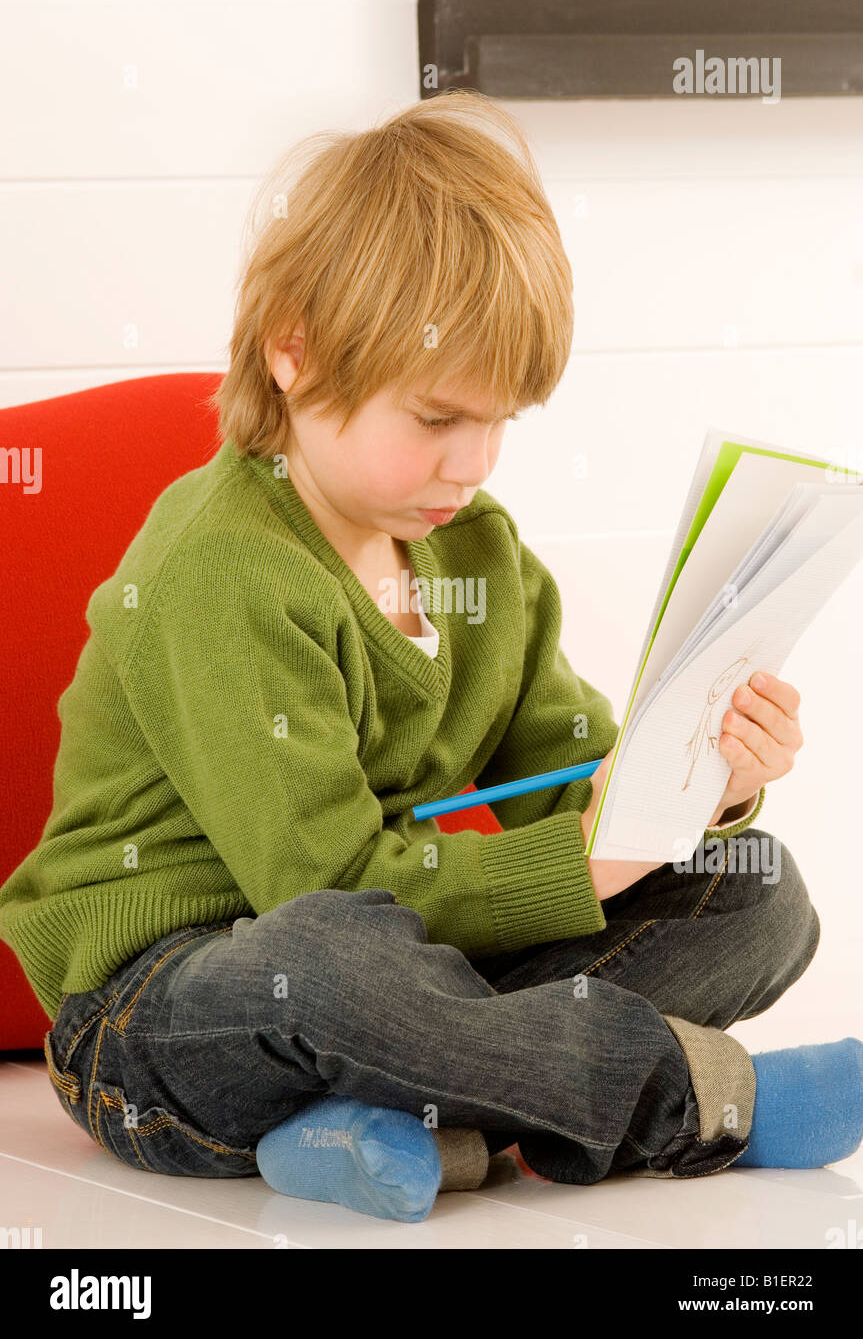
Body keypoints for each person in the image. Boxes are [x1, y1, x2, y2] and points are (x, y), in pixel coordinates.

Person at [2, 91, 859, 1226]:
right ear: (294, 356)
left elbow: (577, 778)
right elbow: (330, 887)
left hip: (393, 973)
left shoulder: (475, 550)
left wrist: (705, 788)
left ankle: (411, 1116)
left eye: (502, 422)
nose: (473, 462)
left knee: (760, 899)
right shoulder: (222, 566)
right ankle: (693, 1100)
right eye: (438, 418)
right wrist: (577, 867)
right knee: (332, 960)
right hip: (170, 1012)